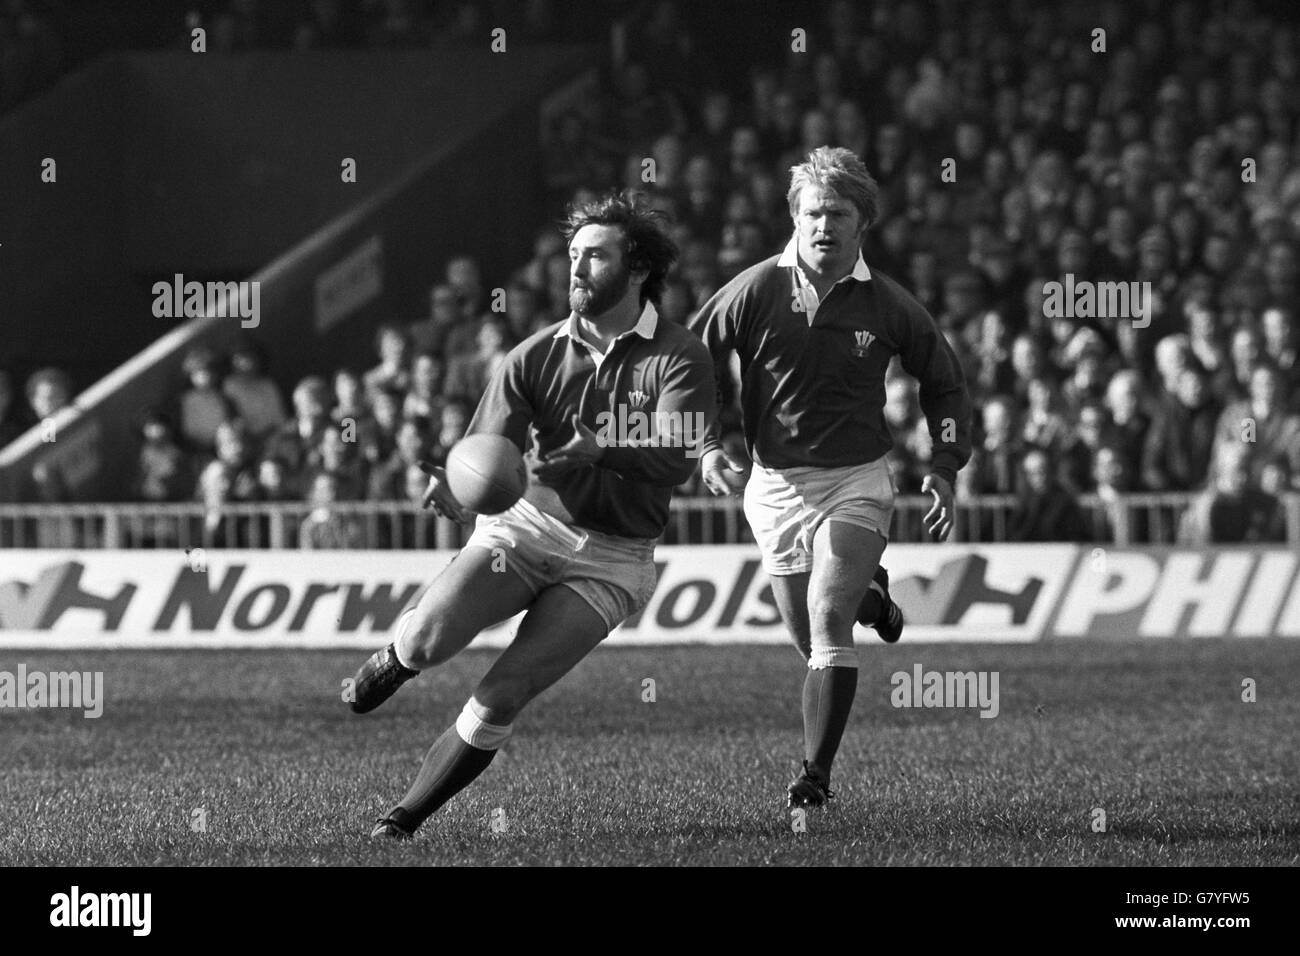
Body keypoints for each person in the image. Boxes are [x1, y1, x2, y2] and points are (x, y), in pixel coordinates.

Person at [349, 191, 717, 841]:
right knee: (430, 640)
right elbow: (485, 459)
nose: (574, 269)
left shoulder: (681, 356)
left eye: (595, 256)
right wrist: (459, 492)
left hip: (613, 556)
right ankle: (399, 654)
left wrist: (603, 447)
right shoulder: (532, 356)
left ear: (637, 271)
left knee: (504, 691)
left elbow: (678, 460)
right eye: (572, 255)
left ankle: (402, 819)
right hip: (523, 527)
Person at [689, 147, 972, 809]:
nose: (824, 224)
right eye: (812, 211)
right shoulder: (752, 291)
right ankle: (876, 600)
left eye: (837, 213)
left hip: (857, 480)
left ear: (860, 224)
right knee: (812, 637)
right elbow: (690, 366)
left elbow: (945, 382)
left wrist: (945, 468)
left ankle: (814, 779)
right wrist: (704, 447)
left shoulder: (889, 303)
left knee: (825, 618)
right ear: (793, 216)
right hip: (774, 487)